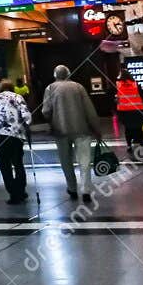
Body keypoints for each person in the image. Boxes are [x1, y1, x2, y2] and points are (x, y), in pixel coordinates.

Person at [41, 65, 102, 201]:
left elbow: (46, 110)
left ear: (55, 75)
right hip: (81, 129)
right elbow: (89, 110)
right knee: (84, 161)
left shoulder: (50, 88)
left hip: (60, 131)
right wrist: (96, 129)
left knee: (66, 161)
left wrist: (51, 122)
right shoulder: (78, 87)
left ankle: (72, 189)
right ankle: (85, 190)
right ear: (68, 74)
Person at [0, 78, 32, 202]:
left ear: (0, 88)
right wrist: (27, 125)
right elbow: (26, 115)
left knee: (4, 165)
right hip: (15, 133)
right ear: (12, 87)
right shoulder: (18, 97)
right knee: (18, 162)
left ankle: (13, 193)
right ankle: (21, 190)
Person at [114, 70, 143, 151]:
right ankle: (141, 145)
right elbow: (142, 95)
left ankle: (129, 146)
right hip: (137, 110)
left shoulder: (118, 84)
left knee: (128, 129)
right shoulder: (135, 84)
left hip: (124, 111)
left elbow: (114, 97)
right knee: (139, 128)